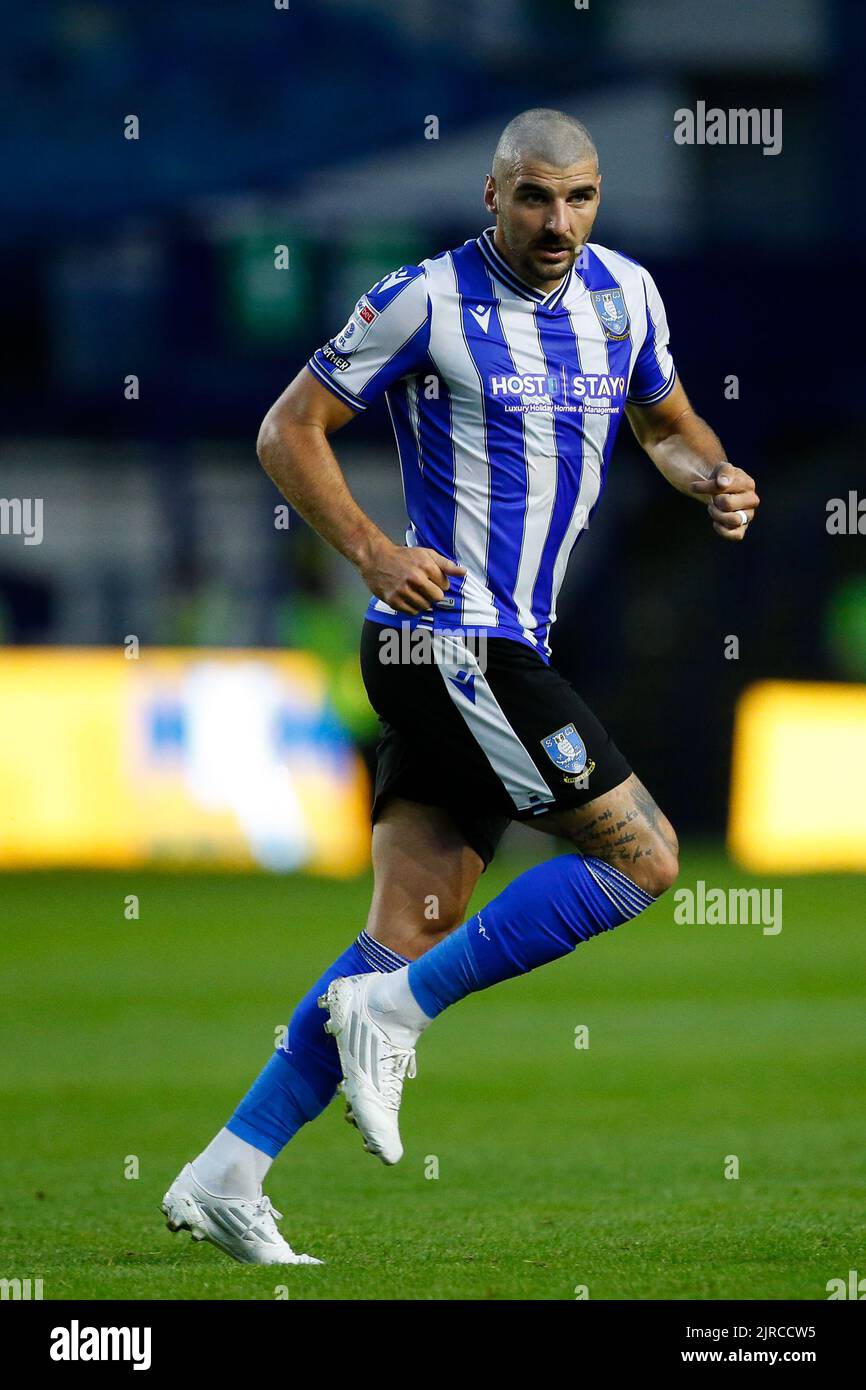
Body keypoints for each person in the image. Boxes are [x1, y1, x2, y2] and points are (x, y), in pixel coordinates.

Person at [162, 108, 760, 1265]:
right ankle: (397, 1015)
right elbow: (289, 430)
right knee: (641, 859)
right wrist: (374, 553)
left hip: (502, 649)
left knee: (406, 929)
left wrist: (712, 478)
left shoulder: (625, 297)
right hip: (449, 643)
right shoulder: (420, 300)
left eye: (579, 197)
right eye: (533, 197)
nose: (557, 221)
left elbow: (667, 424)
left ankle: (228, 1170)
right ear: (491, 195)